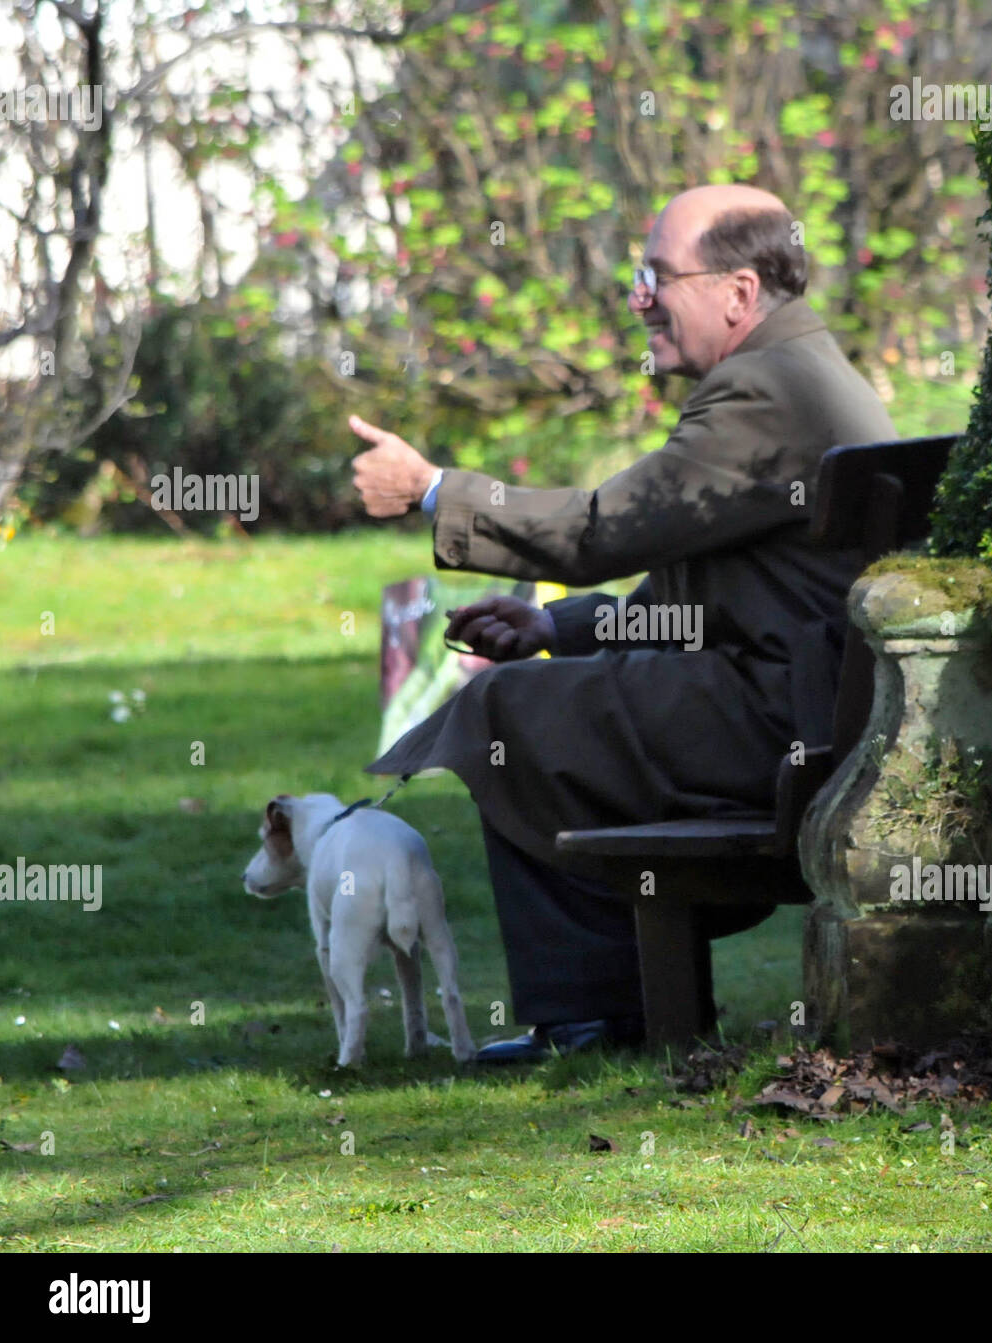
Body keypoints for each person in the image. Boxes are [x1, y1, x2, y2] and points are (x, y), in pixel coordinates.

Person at [349, 183, 896, 1061]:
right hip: (803, 710)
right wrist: (557, 632)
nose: (639, 298)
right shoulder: (800, 373)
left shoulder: (765, 392)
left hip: (780, 729)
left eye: (657, 275)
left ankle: (595, 1015)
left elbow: (602, 528)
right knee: (532, 695)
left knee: (504, 716)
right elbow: (703, 584)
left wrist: (433, 490)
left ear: (739, 293)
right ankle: (608, 1004)